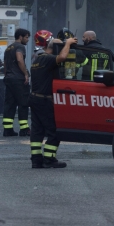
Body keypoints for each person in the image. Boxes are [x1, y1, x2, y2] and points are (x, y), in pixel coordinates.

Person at [28, 31, 75, 169]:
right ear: (51, 46)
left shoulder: (37, 59)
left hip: (35, 98)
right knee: (54, 131)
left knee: (37, 131)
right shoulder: (47, 58)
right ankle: (49, 158)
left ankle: (36, 160)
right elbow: (62, 57)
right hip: (44, 100)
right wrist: (68, 44)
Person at [0, 28, 32, 138]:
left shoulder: (8, 48)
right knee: (23, 103)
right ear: (20, 37)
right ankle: (24, 129)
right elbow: (19, 59)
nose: (27, 40)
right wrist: (26, 74)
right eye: (26, 37)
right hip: (18, 80)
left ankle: (7, 130)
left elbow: (5, 64)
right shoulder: (20, 47)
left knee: (10, 105)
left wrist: (7, 76)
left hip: (9, 79)